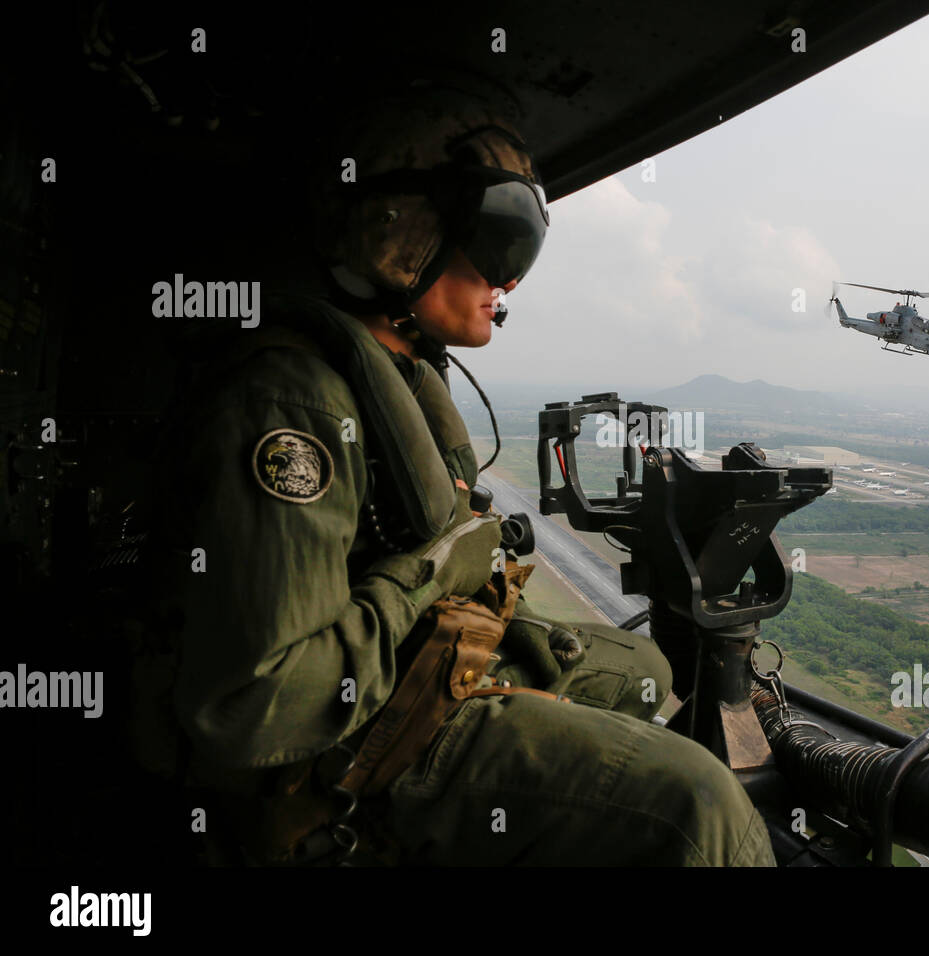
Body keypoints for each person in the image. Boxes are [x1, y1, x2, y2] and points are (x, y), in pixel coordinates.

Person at [137, 80, 775, 867]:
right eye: (498, 242)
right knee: (697, 806)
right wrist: (428, 576)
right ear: (397, 233)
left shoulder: (396, 372)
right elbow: (256, 708)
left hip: (416, 676)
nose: (509, 280)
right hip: (337, 761)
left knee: (643, 669)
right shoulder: (291, 403)